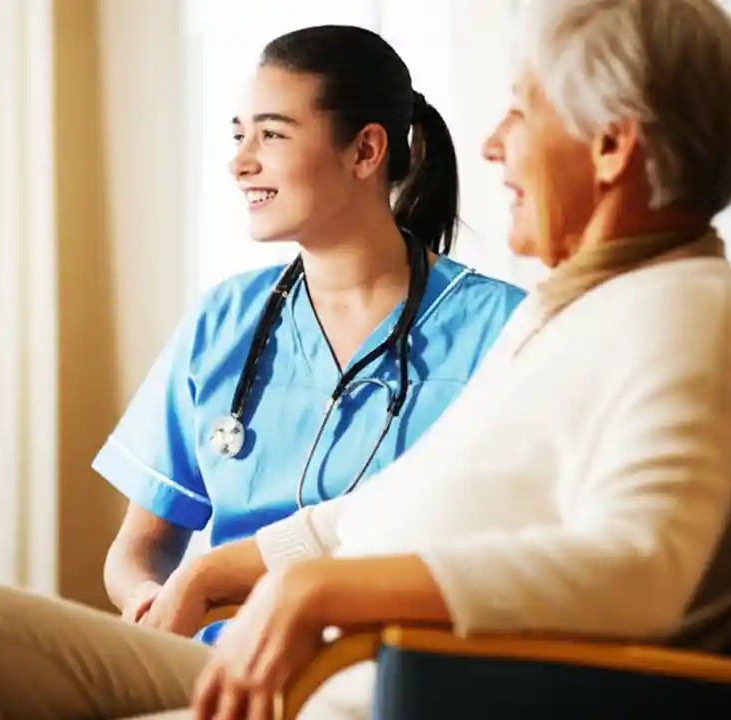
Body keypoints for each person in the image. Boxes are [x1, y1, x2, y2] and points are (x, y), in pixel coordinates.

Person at [0, 1, 731, 718]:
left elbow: (639, 569)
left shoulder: (689, 315)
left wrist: (317, 591)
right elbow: (381, 508)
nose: (491, 145)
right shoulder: (574, 312)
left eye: (521, 113)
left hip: (371, 685)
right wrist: (230, 573)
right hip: (294, 654)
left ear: (613, 146)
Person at [98, 24, 523, 640]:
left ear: (366, 151)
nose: (240, 162)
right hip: (212, 664)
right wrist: (149, 600)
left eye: (270, 134)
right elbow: (138, 551)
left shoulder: (502, 331)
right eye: (240, 135)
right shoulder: (224, 321)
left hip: (371, 672)